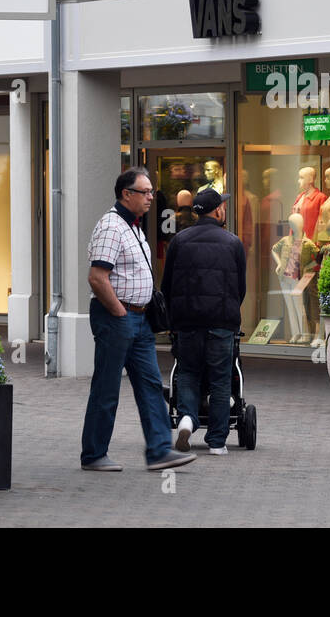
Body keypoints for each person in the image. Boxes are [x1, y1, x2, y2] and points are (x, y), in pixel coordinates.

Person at [80, 167, 195, 472]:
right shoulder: (111, 226)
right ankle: (93, 454)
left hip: (139, 319)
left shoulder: (133, 225)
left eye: (152, 191)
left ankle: (159, 450)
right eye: (144, 192)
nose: (151, 197)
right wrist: (119, 312)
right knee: (107, 387)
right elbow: (97, 277)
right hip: (117, 317)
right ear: (126, 194)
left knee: (150, 385)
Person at [162, 188, 246, 456]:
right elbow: (240, 288)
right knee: (221, 379)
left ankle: (187, 418)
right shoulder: (233, 243)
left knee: (188, 373)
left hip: (187, 322)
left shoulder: (179, 241)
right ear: (217, 210)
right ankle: (218, 442)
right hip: (221, 321)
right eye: (222, 206)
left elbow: (167, 286)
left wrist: (173, 318)